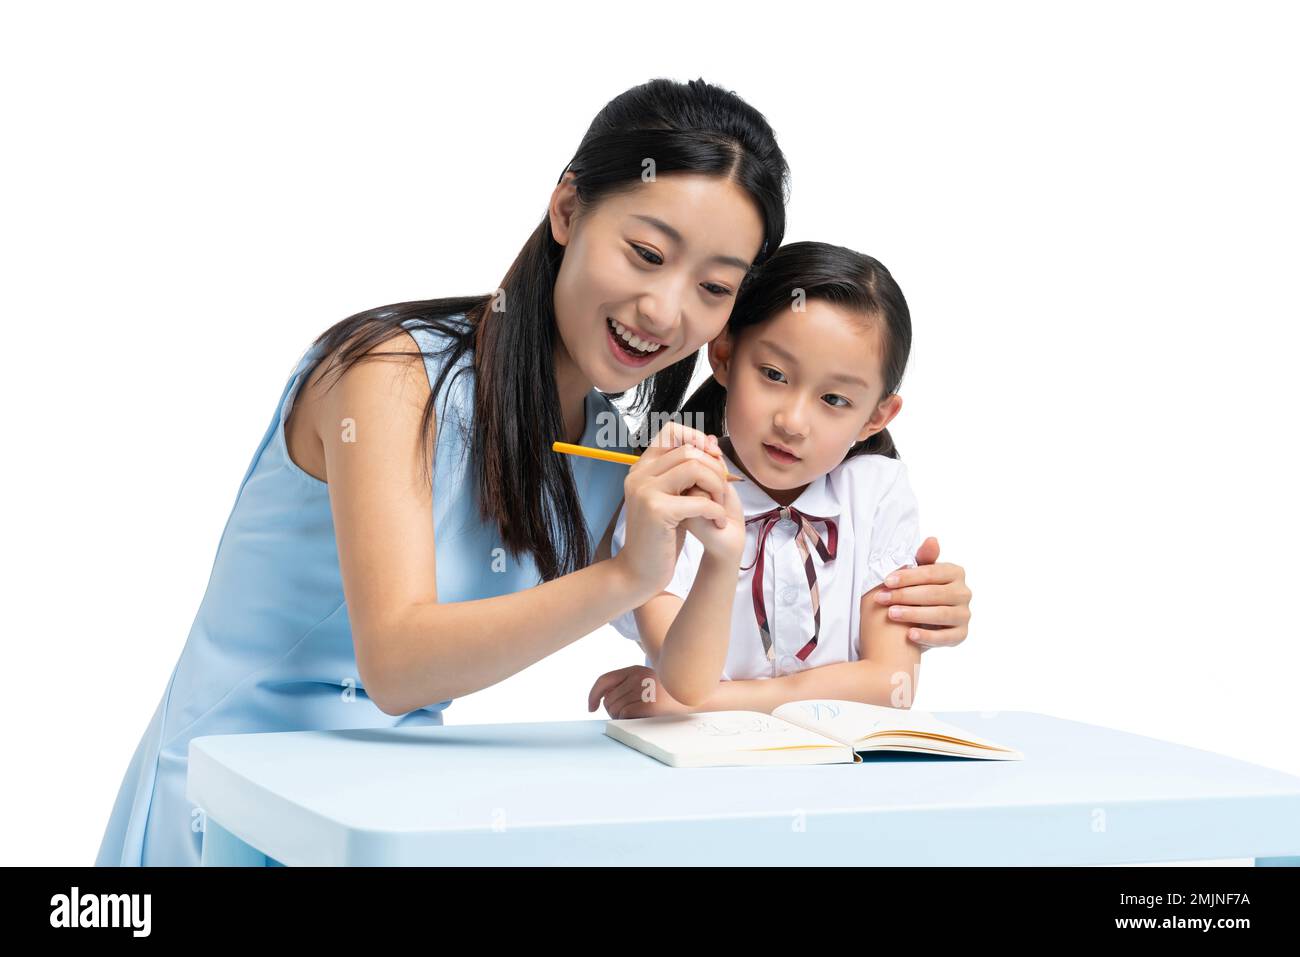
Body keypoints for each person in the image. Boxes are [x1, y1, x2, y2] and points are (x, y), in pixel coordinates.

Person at [96, 78, 971, 866]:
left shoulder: (624, 440)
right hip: (224, 799)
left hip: (386, 809)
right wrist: (625, 576)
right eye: (646, 252)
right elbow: (396, 666)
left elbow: (720, 630)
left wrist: (896, 591)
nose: (664, 310)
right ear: (566, 210)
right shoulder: (388, 376)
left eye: (714, 288)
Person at [592, 241, 970, 718]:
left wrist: (709, 701)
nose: (792, 422)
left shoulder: (876, 493)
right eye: (773, 374)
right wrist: (722, 556)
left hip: (843, 761)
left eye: (834, 400)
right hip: (704, 761)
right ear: (724, 355)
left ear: (877, 417)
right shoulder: (668, 490)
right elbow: (686, 682)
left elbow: (890, 685)